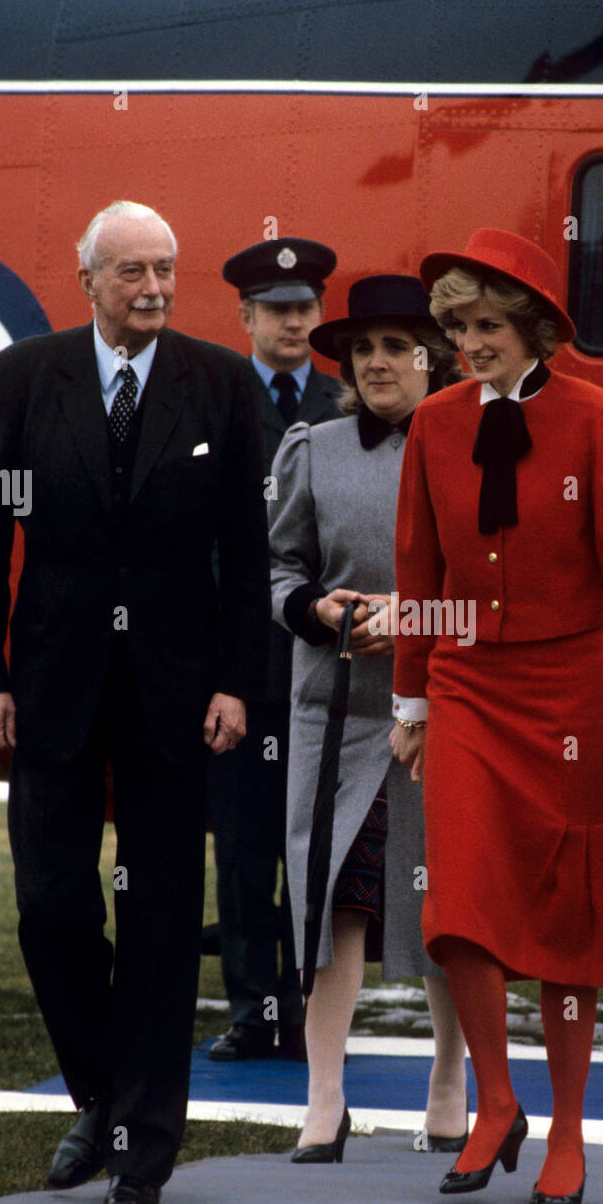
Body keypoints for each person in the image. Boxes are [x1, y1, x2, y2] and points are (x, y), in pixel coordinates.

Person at [0, 200, 269, 1204]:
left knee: (153, 917)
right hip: (52, 680)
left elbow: (248, 550)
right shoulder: (24, 378)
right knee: (51, 904)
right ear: (87, 278)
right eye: (133, 271)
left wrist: (237, 679)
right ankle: (101, 1092)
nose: (153, 288)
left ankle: (147, 1143)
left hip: (175, 691)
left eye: (166, 270)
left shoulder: (221, 386)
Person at [391, 229, 603, 1204]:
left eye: (486, 326)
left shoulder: (600, 421)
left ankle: (564, 1127)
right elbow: (417, 566)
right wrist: (413, 694)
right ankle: (495, 1102)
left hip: (576, 692)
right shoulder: (433, 425)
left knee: (565, 916)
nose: (468, 343)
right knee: (460, 902)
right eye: (458, 327)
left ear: (533, 330)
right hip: (469, 684)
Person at [269, 275, 467, 1161]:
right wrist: (315, 609)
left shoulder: (474, 448)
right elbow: (275, 572)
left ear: (436, 355)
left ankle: (451, 1082)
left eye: (398, 345)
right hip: (333, 716)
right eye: (363, 349)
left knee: (445, 903)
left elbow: (498, 589)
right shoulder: (312, 448)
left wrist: (415, 622)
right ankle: (324, 1100)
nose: (378, 362)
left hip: (447, 713)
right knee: (331, 907)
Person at [208, 237, 342, 1063]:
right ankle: (252, 1008)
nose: (293, 322)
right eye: (277, 310)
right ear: (246, 317)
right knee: (246, 840)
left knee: (314, 846)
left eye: (304, 309)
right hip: (239, 662)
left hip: (324, 662)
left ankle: (309, 1013)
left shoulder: (345, 404)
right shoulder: (213, 400)